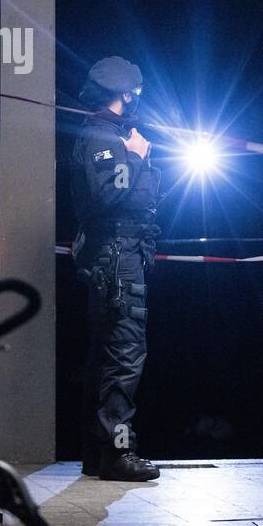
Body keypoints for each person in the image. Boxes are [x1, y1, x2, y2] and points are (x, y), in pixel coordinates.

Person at [70, 56, 162, 481]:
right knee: (124, 356)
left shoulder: (108, 133)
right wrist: (138, 157)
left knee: (109, 355)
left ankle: (98, 453)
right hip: (117, 256)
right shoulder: (103, 136)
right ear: (126, 93)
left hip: (120, 253)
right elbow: (108, 195)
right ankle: (116, 453)